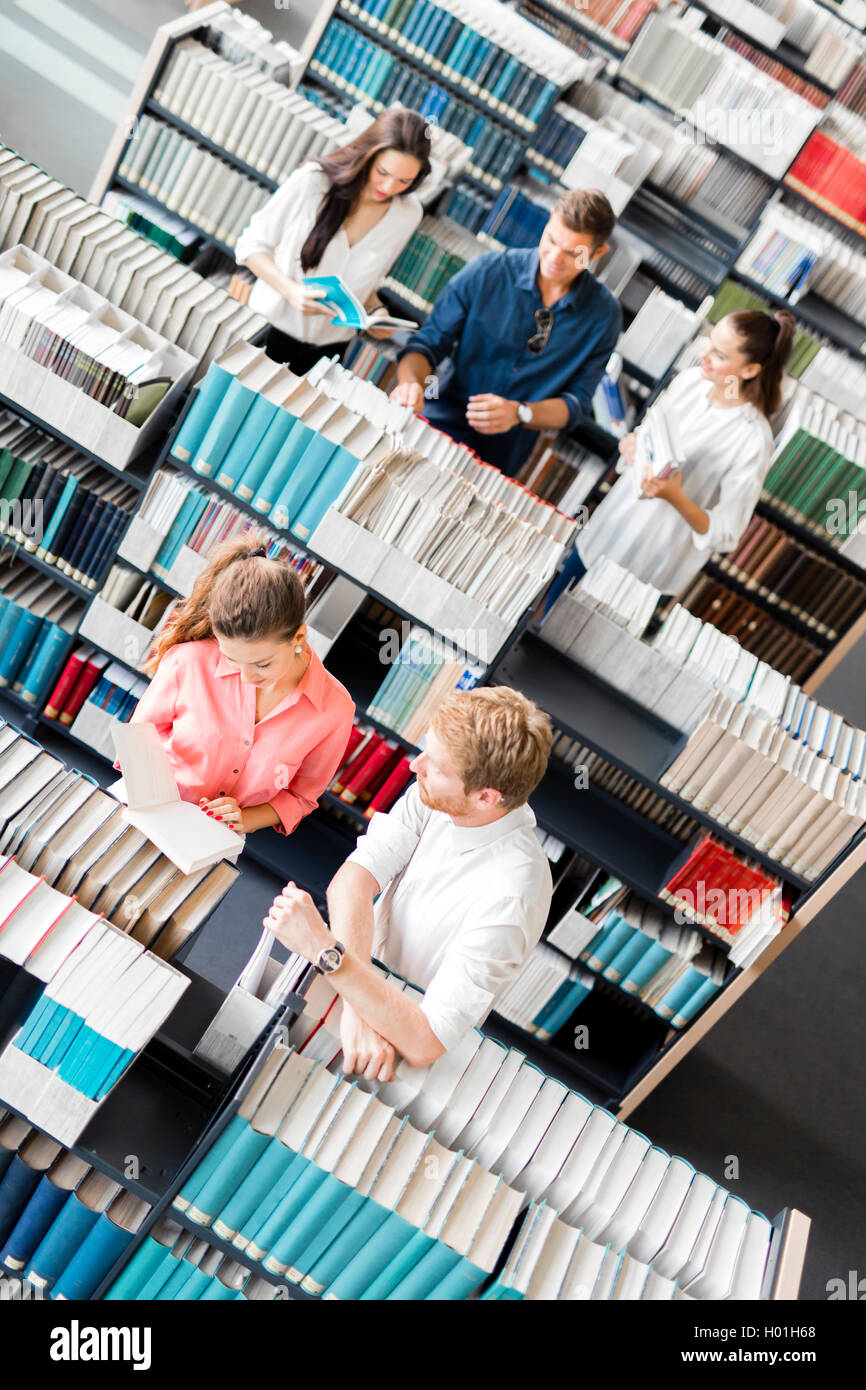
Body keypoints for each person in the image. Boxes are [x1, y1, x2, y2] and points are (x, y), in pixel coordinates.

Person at [264, 686, 553, 1079]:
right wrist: (357, 1006)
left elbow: (425, 1040)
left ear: (486, 797)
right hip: (350, 997)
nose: (415, 766)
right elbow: (353, 882)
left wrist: (324, 949)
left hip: (391, 1057)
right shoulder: (436, 792)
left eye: (435, 765)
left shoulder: (515, 896)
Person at [543, 308, 795, 611]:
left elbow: (727, 532)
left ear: (750, 370)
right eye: (709, 342)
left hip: (647, 568)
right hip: (607, 530)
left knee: (565, 643)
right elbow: (645, 434)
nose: (705, 355)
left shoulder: (753, 439)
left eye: (720, 355)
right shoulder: (690, 381)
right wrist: (632, 445)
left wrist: (676, 497)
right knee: (544, 615)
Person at [130, 534, 355, 837]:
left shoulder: (335, 710)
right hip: (146, 815)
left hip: (218, 840)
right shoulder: (189, 662)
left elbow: (301, 798)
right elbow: (138, 739)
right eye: (231, 659)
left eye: (262, 664)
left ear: (298, 638)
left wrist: (243, 820)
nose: (246, 677)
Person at [388, 188, 622, 478]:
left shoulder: (605, 317)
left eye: (573, 253)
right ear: (548, 222)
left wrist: (520, 412)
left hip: (501, 459)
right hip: (439, 423)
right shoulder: (488, 271)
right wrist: (411, 383)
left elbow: (576, 404)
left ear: (599, 253)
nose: (554, 257)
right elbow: (427, 343)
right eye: (550, 240)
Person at [234, 109, 431, 375]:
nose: (387, 187)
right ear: (367, 155)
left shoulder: (408, 214)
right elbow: (251, 246)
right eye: (382, 172)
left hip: (329, 352)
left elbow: (369, 282)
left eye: (404, 181)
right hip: (268, 328)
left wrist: (377, 313)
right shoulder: (314, 180)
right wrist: (291, 290)